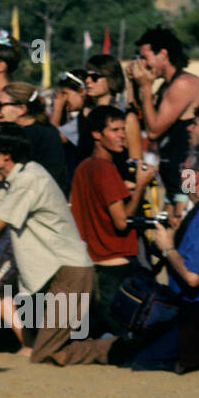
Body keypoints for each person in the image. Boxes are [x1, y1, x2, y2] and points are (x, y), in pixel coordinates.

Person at [0, 124, 118, 366]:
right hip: (52, 275)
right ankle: (107, 344)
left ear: (6, 154)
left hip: (70, 273)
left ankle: (117, 347)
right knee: (47, 350)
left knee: (43, 355)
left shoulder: (30, 179)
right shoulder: (14, 182)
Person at [128, 144, 199, 371]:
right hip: (193, 310)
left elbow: (192, 277)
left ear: (195, 176)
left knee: (145, 363)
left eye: (184, 169)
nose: (180, 174)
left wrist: (169, 249)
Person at [69, 106, 159, 336]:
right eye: (115, 130)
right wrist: (140, 184)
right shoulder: (106, 170)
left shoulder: (83, 167)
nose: (122, 135)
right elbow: (122, 221)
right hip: (115, 264)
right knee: (126, 337)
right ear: (97, 134)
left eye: (123, 130)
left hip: (92, 263)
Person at [128, 28, 199, 213]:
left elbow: (154, 131)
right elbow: (139, 119)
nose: (143, 64)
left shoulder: (183, 84)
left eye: (145, 57)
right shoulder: (166, 86)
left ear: (163, 54)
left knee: (183, 223)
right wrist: (132, 83)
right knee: (168, 231)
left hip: (188, 175)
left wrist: (146, 88)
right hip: (173, 178)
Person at [0, 82, 69, 195]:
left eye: (1, 105)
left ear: (21, 109)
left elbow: (0, 172)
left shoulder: (29, 136)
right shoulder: (44, 129)